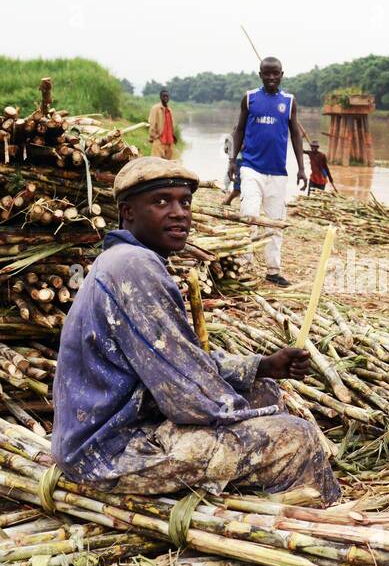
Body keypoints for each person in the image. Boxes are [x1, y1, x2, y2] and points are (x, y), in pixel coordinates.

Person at [50, 157, 340, 503]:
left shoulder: (124, 259)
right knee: (296, 436)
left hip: (107, 432)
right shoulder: (135, 268)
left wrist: (263, 366)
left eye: (184, 202)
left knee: (264, 390)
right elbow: (186, 393)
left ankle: (263, 492)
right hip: (108, 452)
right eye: (161, 202)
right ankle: (321, 513)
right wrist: (255, 419)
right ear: (127, 212)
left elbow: (183, 360)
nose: (179, 213)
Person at [230, 57, 306, 286]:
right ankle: (244, 266)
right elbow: (239, 129)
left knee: (275, 222)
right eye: (267, 74)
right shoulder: (250, 98)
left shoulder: (289, 101)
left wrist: (302, 168)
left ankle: (273, 270)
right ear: (260, 74)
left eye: (275, 74)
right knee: (249, 217)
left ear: (282, 74)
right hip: (251, 169)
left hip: (278, 173)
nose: (271, 78)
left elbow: (295, 135)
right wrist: (233, 160)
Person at [148, 89, 176, 159]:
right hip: (159, 140)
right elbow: (152, 123)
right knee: (156, 162)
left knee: (168, 165)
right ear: (160, 97)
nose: (166, 98)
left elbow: (171, 125)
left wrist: (173, 136)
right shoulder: (155, 108)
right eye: (164, 96)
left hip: (169, 141)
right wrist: (153, 136)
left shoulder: (169, 110)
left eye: (167, 96)